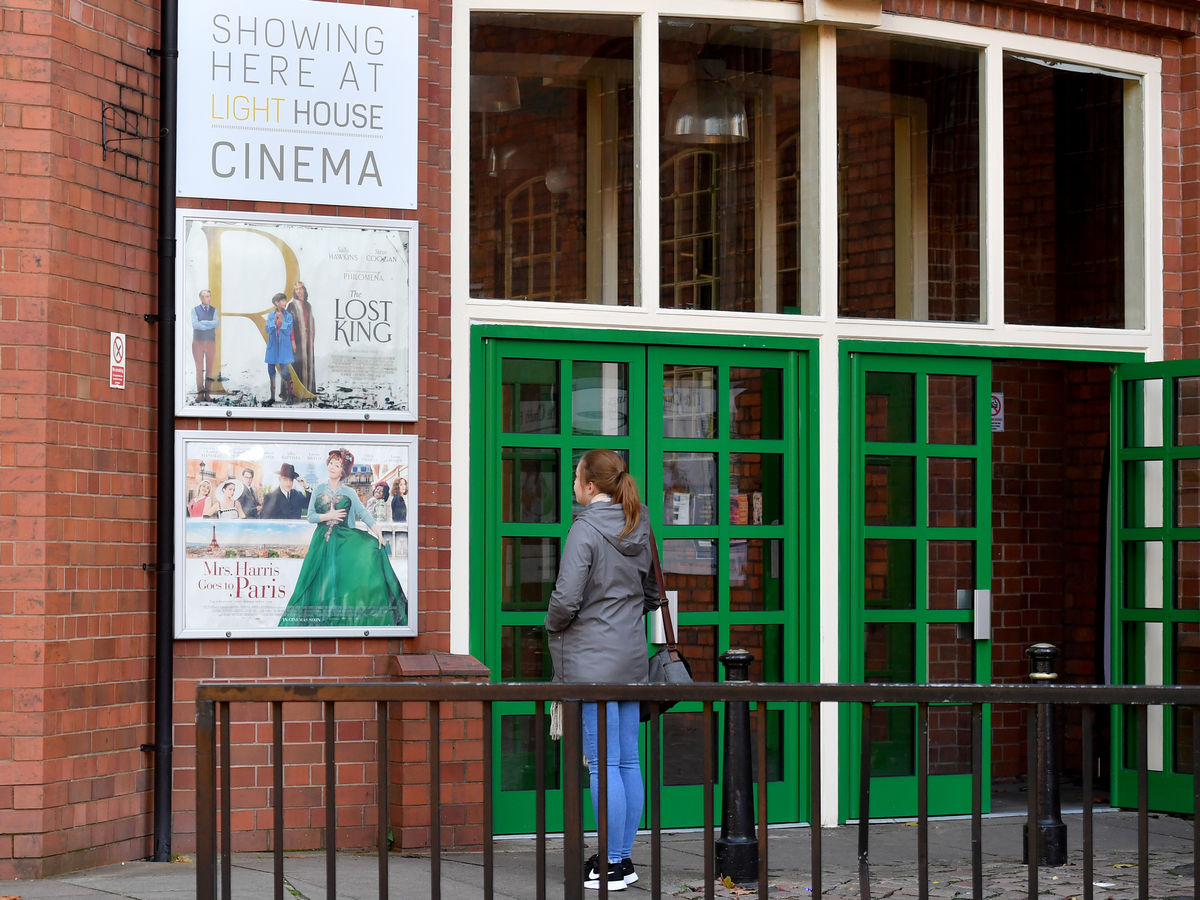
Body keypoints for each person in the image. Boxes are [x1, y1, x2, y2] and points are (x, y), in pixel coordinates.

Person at [544, 449, 660, 892]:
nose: (574, 484)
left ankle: (611, 864)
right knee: (628, 761)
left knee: (604, 765)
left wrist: (552, 621)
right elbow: (651, 593)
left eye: (577, 477)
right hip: (631, 660)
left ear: (591, 486)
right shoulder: (639, 524)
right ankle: (622, 858)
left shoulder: (584, 530)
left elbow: (566, 599)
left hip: (592, 664)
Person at [278, 448, 407, 628]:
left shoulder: (350, 492)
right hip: (321, 541)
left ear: (342, 471)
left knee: (343, 579)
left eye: (337, 464)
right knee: (314, 580)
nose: (332, 467)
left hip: (344, 542)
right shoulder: (319, 490)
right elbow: (310, 516)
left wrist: (378, 532)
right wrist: (328, 516)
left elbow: (363, 513)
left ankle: (342, 620)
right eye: (331, 463)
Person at [264, 292, 295, 405]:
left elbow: (288, 331)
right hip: (273, 348)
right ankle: (272, 397)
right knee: (271, 372)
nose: (285, 303)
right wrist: (274, 321)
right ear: (277, 302)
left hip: (284, 349)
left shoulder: (288, 316)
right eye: (283, 301)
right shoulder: (271, 315)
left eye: (285, 301)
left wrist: (281, 321)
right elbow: (268, 330)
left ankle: (290, 396)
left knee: (285, 373)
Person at [190, 288, 220, 400]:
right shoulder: (195, 310)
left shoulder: (214, 310)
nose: (209, 298)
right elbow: (195, 325)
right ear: (201, 298)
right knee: (199, 369)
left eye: (209, 296)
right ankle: (200, 393)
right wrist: (209, 325)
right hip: (198, 342)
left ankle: (207, 393)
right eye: (206, 296)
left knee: (210, 369)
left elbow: (216, 323)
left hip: (211, 342)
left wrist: (203, 322)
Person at [287, 280, 315, 395]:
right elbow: (289, 325)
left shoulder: (308, 305)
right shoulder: (291, 305)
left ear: (304, 290)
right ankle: (295, 393)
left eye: (301, 288)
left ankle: (307, 390)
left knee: (307, 363)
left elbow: (311, 322)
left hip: (307, 340)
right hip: (297, 340)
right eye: (296, 289)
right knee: (297, 365)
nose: (299, 291)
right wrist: (292, 341)